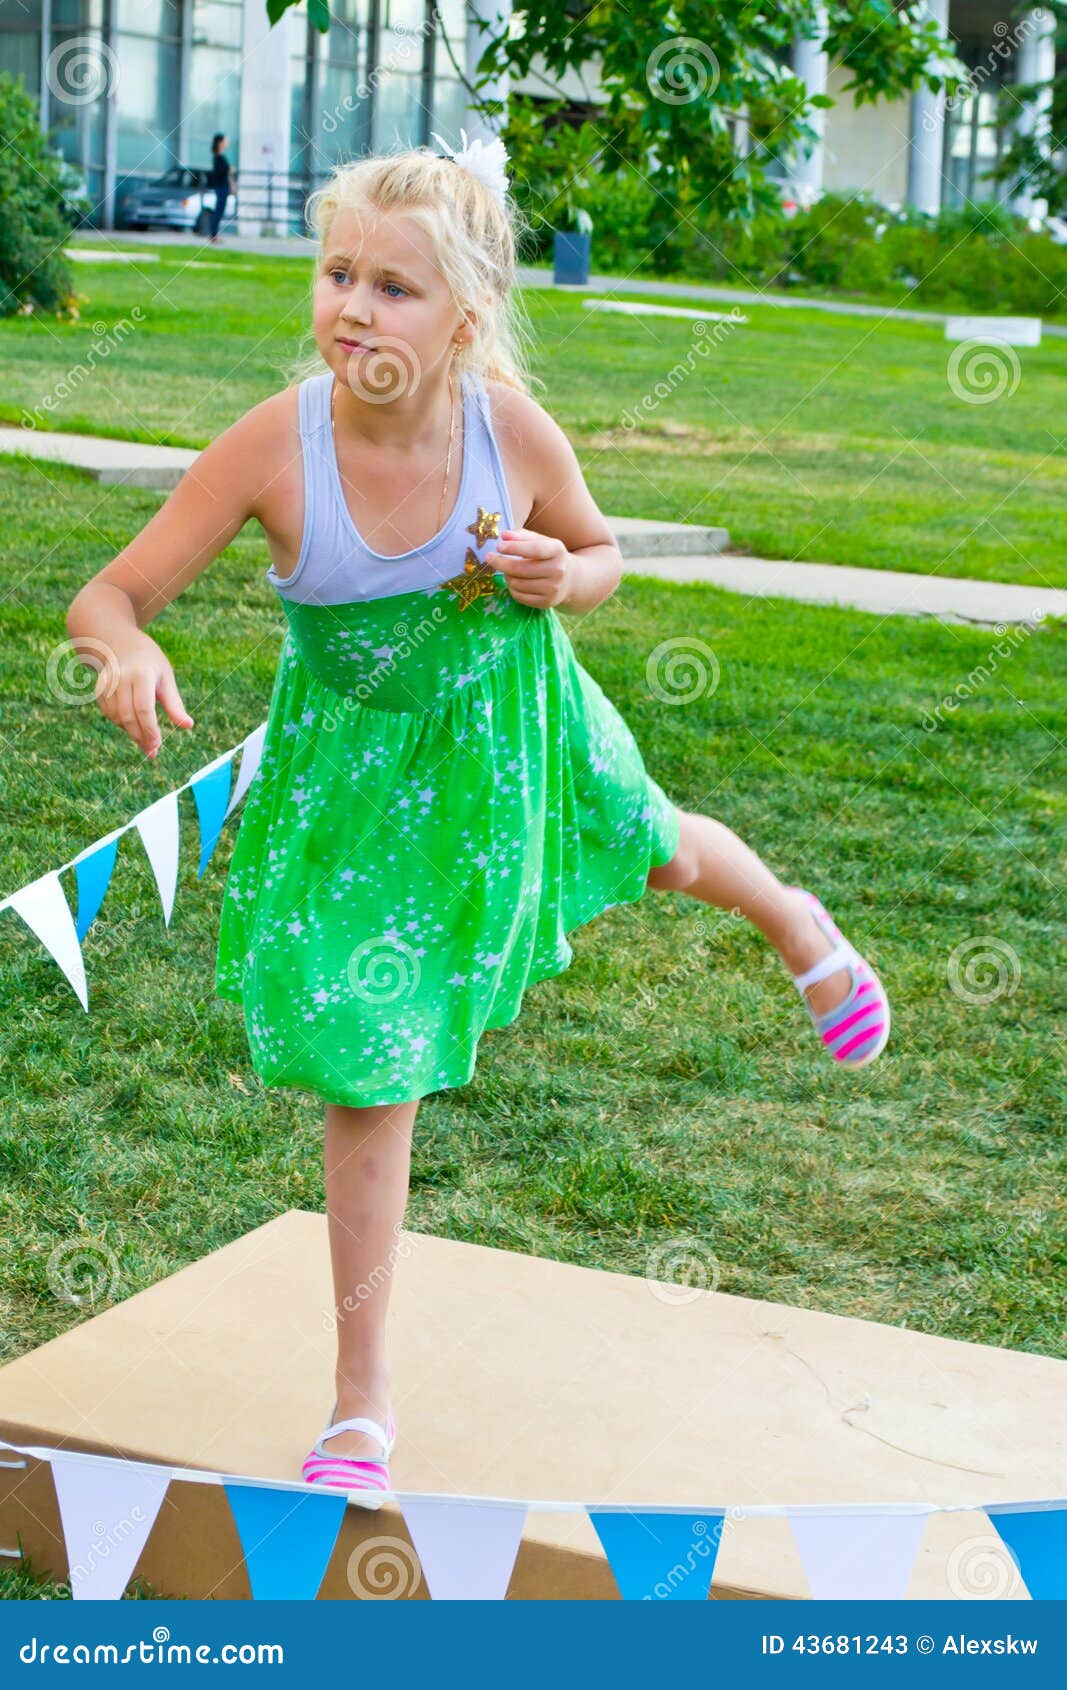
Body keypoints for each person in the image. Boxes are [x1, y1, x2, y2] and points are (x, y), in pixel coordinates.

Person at [64, 133, 890, 1503]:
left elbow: (601, 553)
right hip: (360, 782)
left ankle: (795, 924)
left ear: (467, 311)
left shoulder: (510, 431)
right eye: (337, 273)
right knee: (368, 1064)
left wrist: (563, 575)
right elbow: (109, 594)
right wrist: (126, 650)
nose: (351, 308)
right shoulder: (277, 444)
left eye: (393, 287)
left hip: (518, 722)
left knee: (660, 844)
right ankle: (360, 1404)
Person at [206, 132, 234, 243]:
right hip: (221, 187)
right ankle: (213, 235)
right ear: (220, 142)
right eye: (225, 140)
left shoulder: (220, 157)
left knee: (220, 211)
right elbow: (218, 172)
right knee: (218, 211)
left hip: (223, 186)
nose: (227, 143)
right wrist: (228, 169)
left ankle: (214, 234)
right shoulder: (218, 157)